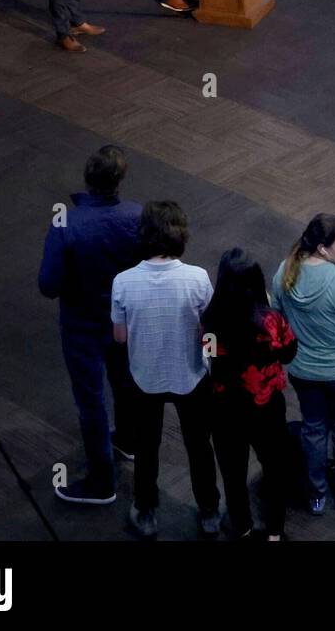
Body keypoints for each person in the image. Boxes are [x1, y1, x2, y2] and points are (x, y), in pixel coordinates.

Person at [38, 145, 142, 506]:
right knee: (125, 380)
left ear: (88, 178)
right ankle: (129, 440)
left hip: (82, 323)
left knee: (91, 400)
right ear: (120, 180)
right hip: (125, 318)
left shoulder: (66, 222)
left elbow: (48, 284)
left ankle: (102, 482)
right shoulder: (138, 216)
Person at [112, 201, 220, 539]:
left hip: (145, 378)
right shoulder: (198, 278)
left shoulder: (123, 282)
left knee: (147, 448)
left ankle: (146, 511)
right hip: (191, 375)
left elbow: (119, 336)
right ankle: (209, 511)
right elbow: (209, 331)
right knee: (200, 446)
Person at [271, 214, 335, 516]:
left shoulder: (283, 272)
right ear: (323, 249)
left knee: (313, 431)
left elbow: (277, 320)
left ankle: (316, 495)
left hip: (303, 372)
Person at [202, 248, 297, 540]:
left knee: (232, 474)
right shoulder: (271, 321)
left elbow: (209, 360)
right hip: (265, 405)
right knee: (274, 470)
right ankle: (275, 532)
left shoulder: (210, 320)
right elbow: (289, 353)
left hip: (225, 407)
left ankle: (242, 527)